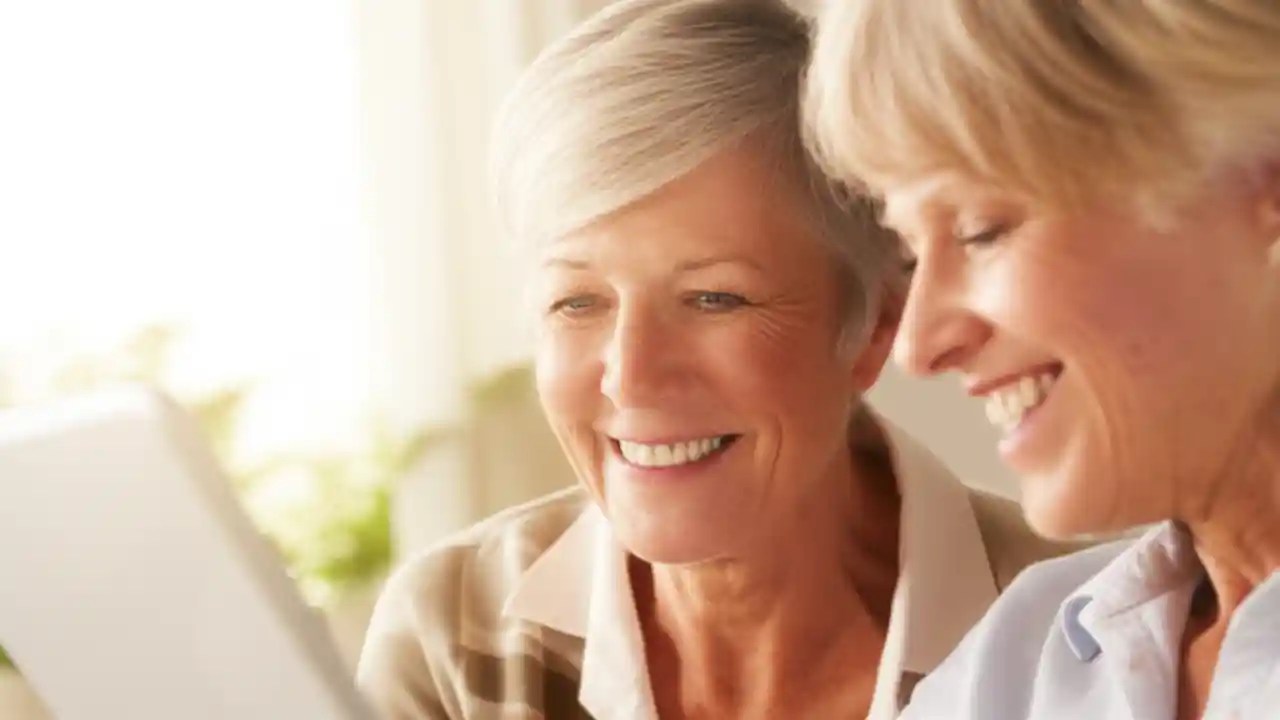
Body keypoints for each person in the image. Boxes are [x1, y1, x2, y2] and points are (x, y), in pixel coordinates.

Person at [357, 1, 1068, 718]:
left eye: (715, 298)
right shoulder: (449, 636)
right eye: (577, 302)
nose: (630, 374)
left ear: (876, 324)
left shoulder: (1081, 632)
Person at [805, 2, 1280, 718]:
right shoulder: (1021, 663)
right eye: (908, 254)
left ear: (1265, 174)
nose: (918, 344)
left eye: (980, 230)